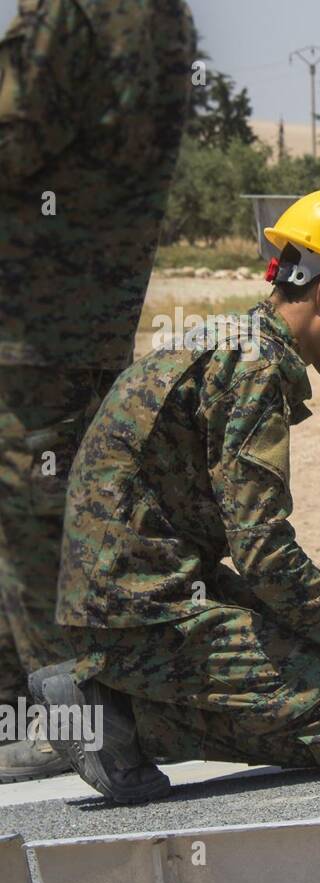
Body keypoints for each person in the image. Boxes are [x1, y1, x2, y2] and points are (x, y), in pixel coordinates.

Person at [32, 188, 320, 804]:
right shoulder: (253, 368)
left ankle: (113, 699)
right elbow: (266, 557)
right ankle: (115, 712)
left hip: (136, 592)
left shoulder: (233, 344)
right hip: (139, 612)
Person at [0, 0, 196, 781]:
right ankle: (29, 707)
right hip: (80, 310)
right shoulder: (162, 14)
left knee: (32, 518)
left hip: (37, 319)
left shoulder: (75, 11)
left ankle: (69, 720)